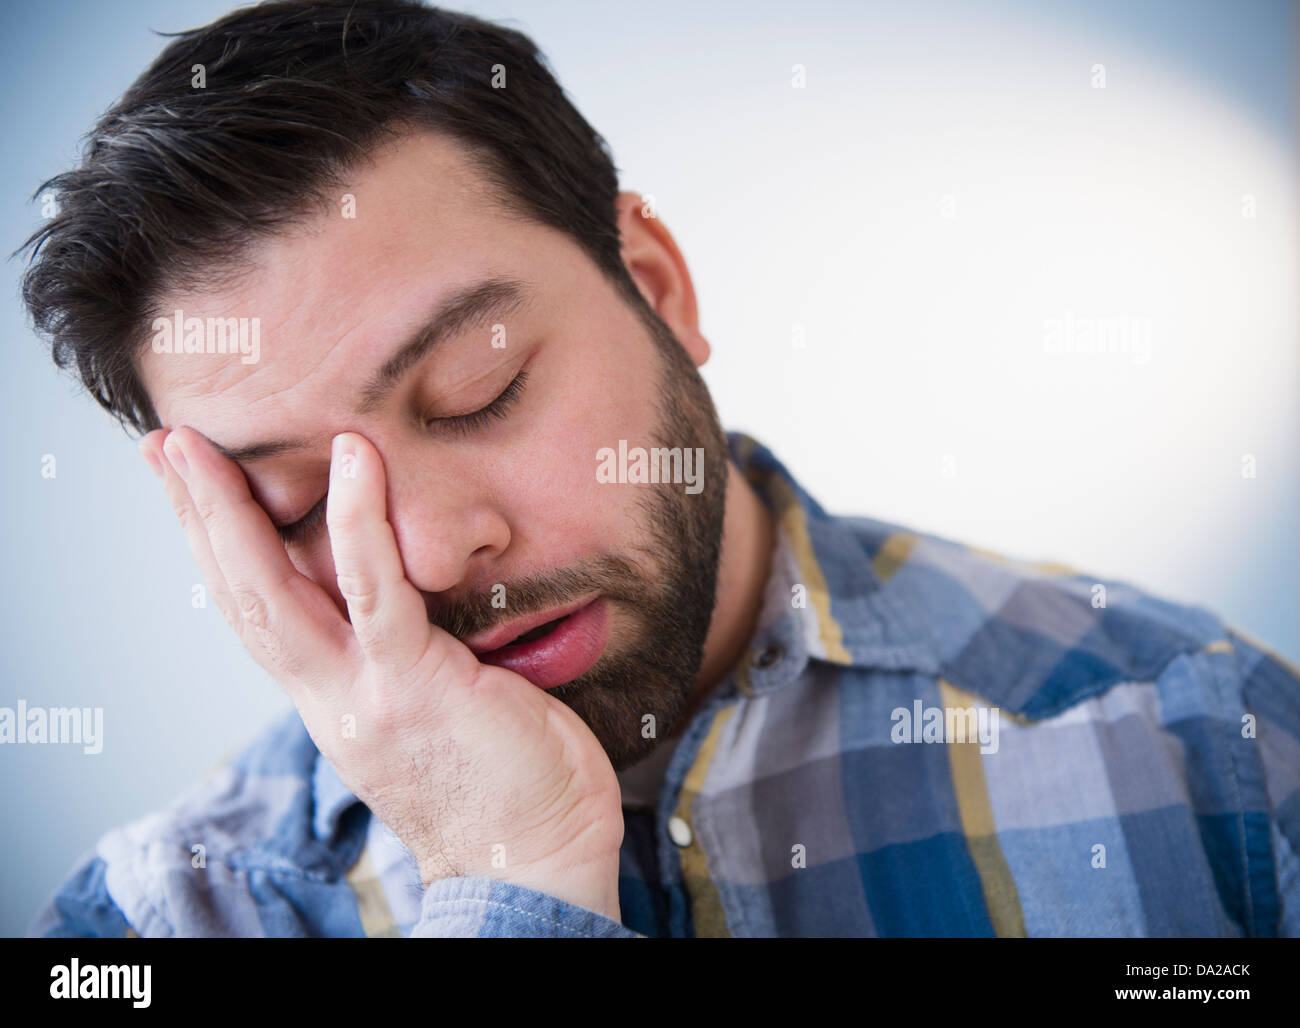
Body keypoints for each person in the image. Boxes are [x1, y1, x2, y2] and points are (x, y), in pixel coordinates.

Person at [21, 0, 1299, 938]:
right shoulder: (145, 926)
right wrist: (502, 872)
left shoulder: (1208, 754)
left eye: (482, 389)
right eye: (300, 501)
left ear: (655, 285)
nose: (420, 551)